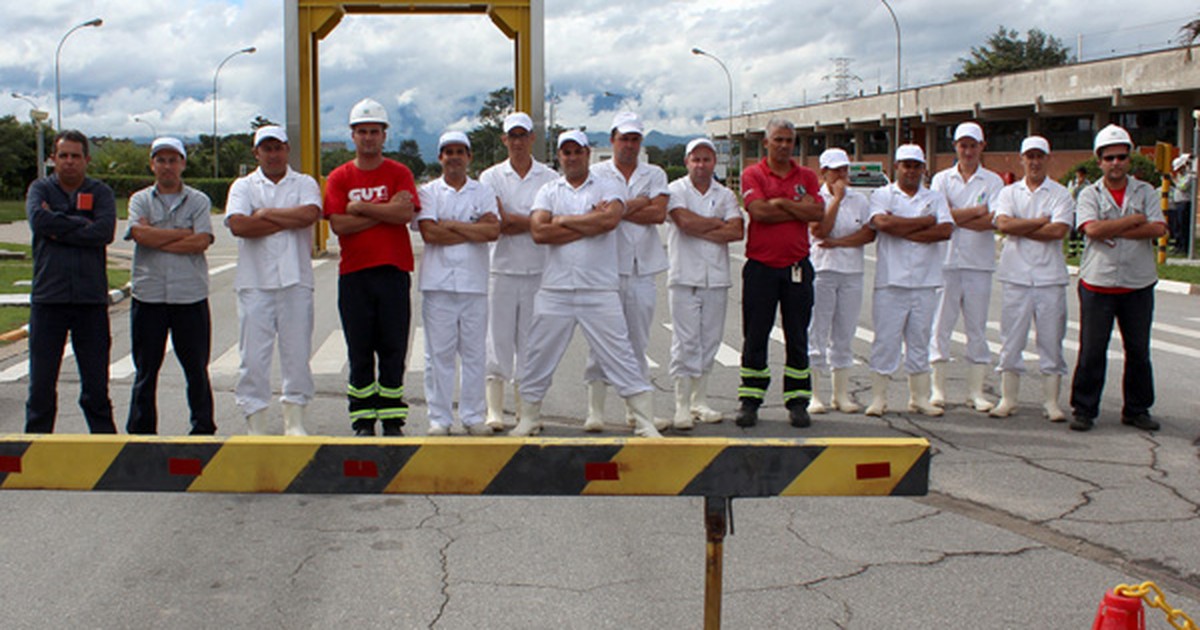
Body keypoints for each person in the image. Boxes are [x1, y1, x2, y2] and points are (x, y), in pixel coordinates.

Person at [509, 130, 662, 438]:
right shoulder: (549, 190)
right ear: (560, 156)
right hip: (556, 289)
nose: (572, 157)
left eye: (577, 151)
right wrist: (584, 223)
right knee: (538, 354)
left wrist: (562, 220)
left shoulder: (609, 186)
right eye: (566, 152)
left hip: (599, 289)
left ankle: (644, 420)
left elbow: (609, 222)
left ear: (588, 153)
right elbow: (539, 233)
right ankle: (528, 417)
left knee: (621, 354)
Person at [324, 98, 420, 437]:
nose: (368, 137)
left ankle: (393, 419)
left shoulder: (399, 172)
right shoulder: (339, 176)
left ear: (384, 135)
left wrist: (361, 207)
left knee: (393, 349)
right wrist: (384, 210)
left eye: (374, 131)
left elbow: (405, 216)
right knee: (360, 350)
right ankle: (363, 419)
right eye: (362, 131)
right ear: (352, 135)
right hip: (354, 276)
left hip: (393, 272)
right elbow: (339, 225)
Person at [1069, 124, 1168, 432]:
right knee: (1092, 350)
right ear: (1099, 161)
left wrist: (1115, 226)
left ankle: (1137, 409)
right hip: (1098, 283)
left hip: (1137, 284)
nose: (1116, 163)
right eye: (1109, 158)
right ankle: (1084, 409)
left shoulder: (1146, 191)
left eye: (1121, 157)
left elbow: (1158, 228)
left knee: (1138, 350)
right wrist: (1134, 220)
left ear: (1130, 158)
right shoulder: (1089, 193)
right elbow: (1092, 229)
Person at [224, 126, 322, 436]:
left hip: (296, 282)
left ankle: (295, 418)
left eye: (278, 147)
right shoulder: (243, 186)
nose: (273, 154)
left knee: (297, 354)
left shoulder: (304, 182)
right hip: (254, 284)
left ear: (287, 149)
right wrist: (284, 219)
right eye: (266, 149)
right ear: (256, 153)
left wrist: (264, 214)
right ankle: (256, 419)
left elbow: (309, 216)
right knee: (252, 357)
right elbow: (239, 225)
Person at [24, 130, 117, 434]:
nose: (69, 162)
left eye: (75, 156)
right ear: (53, 159)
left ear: (86, 160)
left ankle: (105, 449)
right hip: (48, 300)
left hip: (90, 302)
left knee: (95, 388)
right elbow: (39, 221)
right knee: (40, 387)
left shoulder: (100, 192)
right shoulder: (40, 189)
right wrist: (80, 224)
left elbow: (103, 232)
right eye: (63, 155)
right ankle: (35, 449)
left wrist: (58, 224)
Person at [734, 118, 825, 429]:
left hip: (797, 267)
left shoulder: (807, 176)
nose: (785, 146)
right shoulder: (753, 173)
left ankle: (798, 401)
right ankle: (750, 400)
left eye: (789, 140)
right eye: (779, 140)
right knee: (755, 336)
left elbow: (817, 212)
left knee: (798, 337)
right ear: (767, 143)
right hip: (761, 268)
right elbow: (758, 211)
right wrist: (797, 206)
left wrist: (782, 202)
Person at [584, 111, 670, 432]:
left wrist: (618, 209)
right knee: (600, 341)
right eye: (624, 139)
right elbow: (596, 216)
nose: (629, 145)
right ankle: (595, 411)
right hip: (604, 268)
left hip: (642, 268)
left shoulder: (655, 173)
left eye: (635, 139)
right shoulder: (597, 173)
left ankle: (637, 414)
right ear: (612, 140)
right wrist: (636, 203)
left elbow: (658, 214)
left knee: (637, 342)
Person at [125, 137, 215, 435]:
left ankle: (202, 428)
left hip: (189, 297)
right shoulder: (139, 199)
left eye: (173, 160)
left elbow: (201, 241)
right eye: (160, 160)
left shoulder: (199, 200)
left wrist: (157, 234)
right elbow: (140, 236)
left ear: (183, 164)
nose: (167, 166)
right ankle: (141, 432)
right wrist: (181, 234)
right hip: (148, 296)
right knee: (146, 370)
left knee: (196, 370)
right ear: (152, 164)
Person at [417, 131, 501, 436]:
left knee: (475, 353)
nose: (454, 157)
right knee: (438, 356)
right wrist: (471, 227)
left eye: (460, 151)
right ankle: (439, 418)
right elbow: (430, 234)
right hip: (438, 285)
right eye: (448, 151)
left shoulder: (482, 191)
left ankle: (473, 415)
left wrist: (449, 224)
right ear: (440, 157)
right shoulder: (428, 192)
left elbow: (492, 231)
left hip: (474, 284)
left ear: (469, 157)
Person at [478, 112, 558, 431]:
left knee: (531, 344)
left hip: (539, 270)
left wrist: (522, 222)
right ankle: (494, 409)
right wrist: (535, 222)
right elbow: (498, 223)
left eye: (523, 135)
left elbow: (550, 223)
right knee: (496, 341)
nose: (518, 142)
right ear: (504, 140)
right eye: (512, 136)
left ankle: (527, 412)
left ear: (532, 139)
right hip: (500, 268)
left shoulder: (549, 177)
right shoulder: (490, 177)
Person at [863, 144, 954, 417]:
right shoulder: (882, 194)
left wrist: (902, 227)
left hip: (926, 281)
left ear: (923, 168)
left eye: (916, 166)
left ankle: (919, 397)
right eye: (906, 165)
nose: (911, 171)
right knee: (885, 341)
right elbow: (883, 224)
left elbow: (945, 230)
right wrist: (925, 222)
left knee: (920, 340)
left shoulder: (935, 197)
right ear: (896, 167)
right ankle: (879, 397)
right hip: (891, 281)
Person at [991, 136, 1074, 420]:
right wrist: (1040, 221)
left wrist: (1020, 227)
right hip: (1016, 276)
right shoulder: (1009, 192)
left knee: (1051, 340)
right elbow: (1003, 224)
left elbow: (1058, 231)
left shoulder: (1060, 193)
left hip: (1050, 278)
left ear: (1047, 159)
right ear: (1022, 159)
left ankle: (1051, 402)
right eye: (1030, 156)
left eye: (1040, 156)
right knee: (1011, 339)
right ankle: (1008, 398)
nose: (1035, 162)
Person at [664, 137, 744, 429]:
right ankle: (682, 405)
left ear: (714, 162)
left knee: (709, 341)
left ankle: (700, 401)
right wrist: (716, 223)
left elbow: (737, 231)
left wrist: (700, 225)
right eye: (695, 159)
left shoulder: (725, 194)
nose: (701, 165)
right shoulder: (675, 190)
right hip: (684, 277)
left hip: (716, 279)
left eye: (706, 159)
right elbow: (682, 222)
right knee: (685, 342)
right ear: (687, 162)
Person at [928, 122, 1005, 412]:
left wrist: (955, 215)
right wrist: (975, 211)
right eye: (963, 145)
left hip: (978, 264)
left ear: (982, 147)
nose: (968, 150)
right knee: (940, 327)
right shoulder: (941, 179)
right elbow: (939, 218)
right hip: (945, 263)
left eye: (973, 145)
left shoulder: (993, 181)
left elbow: (994, 220)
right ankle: (938, 389)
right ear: (955, 147)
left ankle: (976, 391)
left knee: (977, 328)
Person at [807, 148, 875, 414]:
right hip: (822, 270)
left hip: (851, 272)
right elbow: (819, 230)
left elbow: (868, 234)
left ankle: (841, 393)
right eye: (836, 170)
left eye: (845, 169)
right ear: (823, 172)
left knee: (844, 332)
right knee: (817, 330)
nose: (842, 175)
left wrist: (838, 242)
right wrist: (835, 200)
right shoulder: (816, 198)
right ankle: (815, 394)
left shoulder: (859, 200)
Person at [1168, 155, 1192, 254]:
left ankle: (1184, 247)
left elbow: (1182, 187)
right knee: (1177, 226)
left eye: (1179, 169)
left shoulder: (1189, 176)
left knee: (1183, 226)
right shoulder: (1180, 176)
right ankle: (1178, 245)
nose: (1177, 171)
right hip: (1178, 202)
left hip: (1184, 203)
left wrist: (1173, 180)